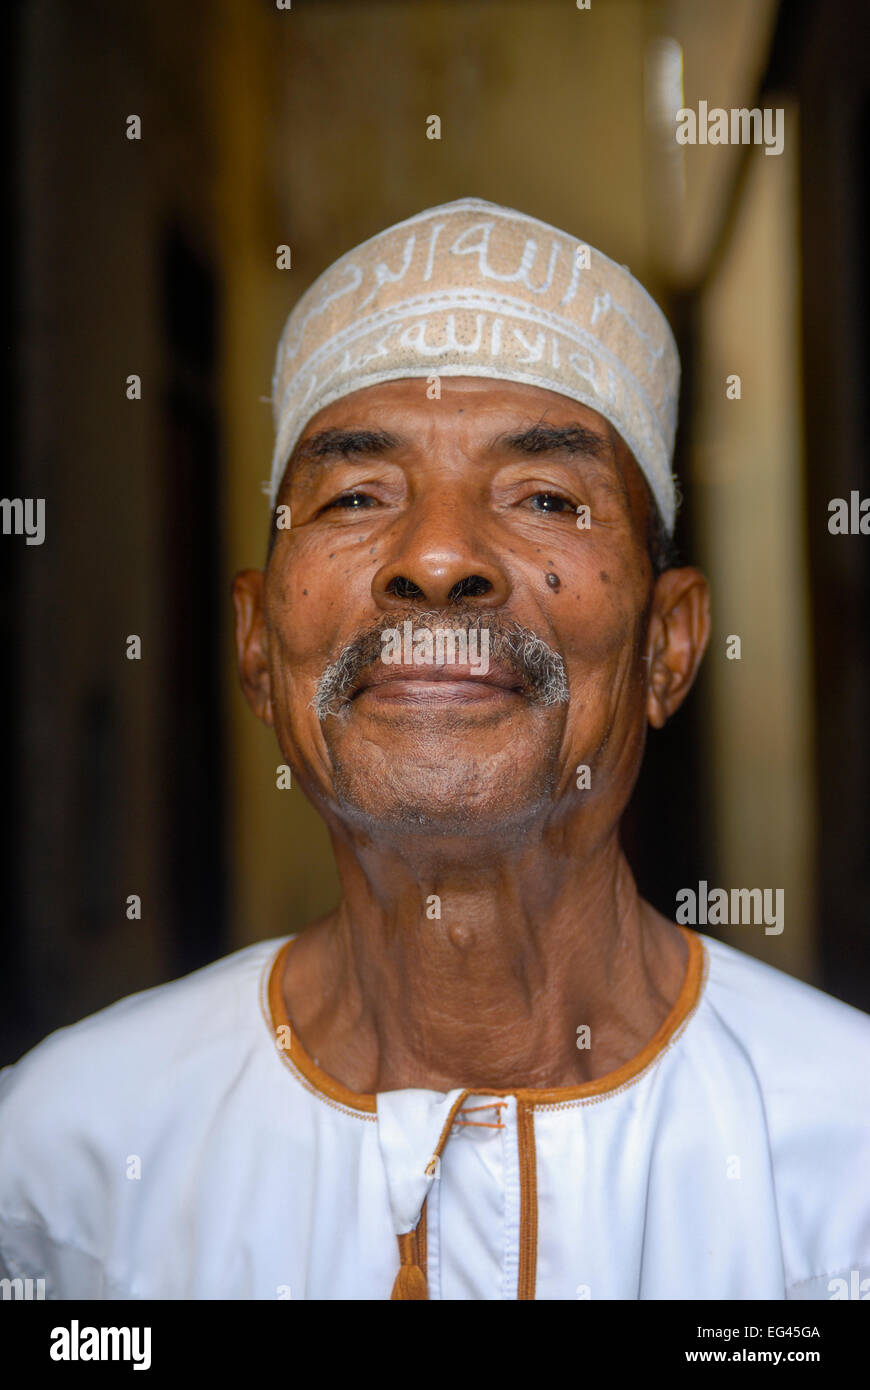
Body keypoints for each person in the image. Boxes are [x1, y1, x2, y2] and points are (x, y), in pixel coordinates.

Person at [1, 198, 868, 1300]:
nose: (442, 554)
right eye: (358, 493)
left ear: (668, 645)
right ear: (258, 644)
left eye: (546, 496)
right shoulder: (64, 1169)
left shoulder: (845, 1170)